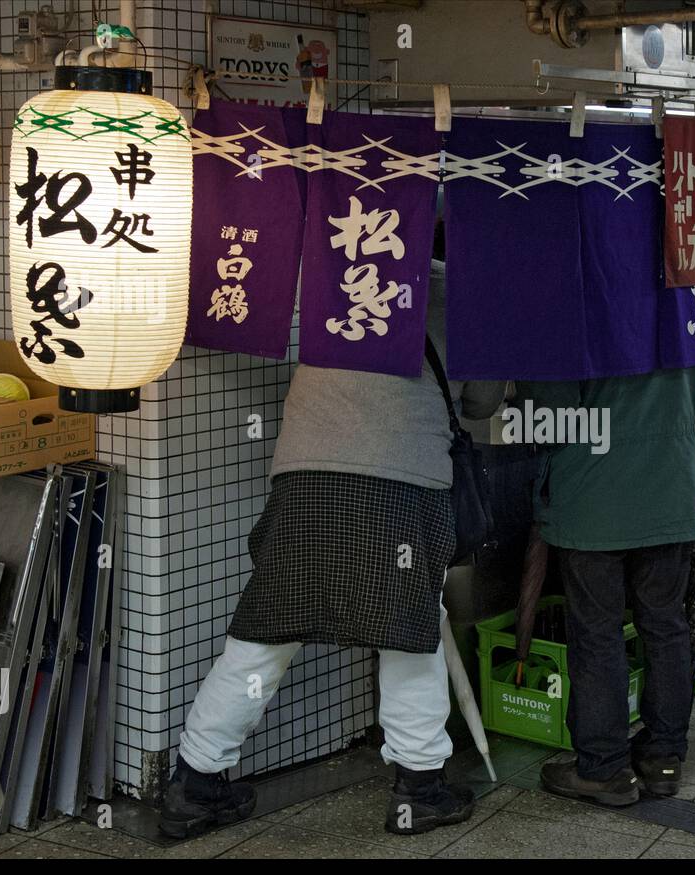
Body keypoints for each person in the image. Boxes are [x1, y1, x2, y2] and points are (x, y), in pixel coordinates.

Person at [161, 239, 505, 839]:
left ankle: (194, 784)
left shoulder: (332, 272)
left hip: (305, 479)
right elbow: (480, 400)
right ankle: (420, 787)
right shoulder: (461, 296)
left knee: (264, 634)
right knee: (410, 634)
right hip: (402, 482)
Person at [516, 366, 695, 806]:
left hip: (594, 494)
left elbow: (554, 412)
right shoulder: (682, 301)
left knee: (597, 633)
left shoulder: (573, 309)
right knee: (666, 626)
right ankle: (664, 760)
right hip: (672, 489)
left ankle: (603, 768)